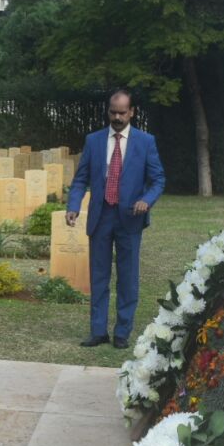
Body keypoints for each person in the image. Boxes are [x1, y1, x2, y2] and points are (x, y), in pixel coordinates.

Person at [66, 89, 165, 349]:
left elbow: (158, 179)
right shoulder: (94, 140)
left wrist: (147, 199)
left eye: (122, 112)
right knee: (99, 277)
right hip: (101, 217)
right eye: (113, 112)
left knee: (127, 278)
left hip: (130, 217)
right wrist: (74, 205)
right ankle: (98, 331)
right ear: (108, 111)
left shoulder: (146, 142)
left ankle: (122, 332)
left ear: (132, 112)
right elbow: (80, 179)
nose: (117, 117)